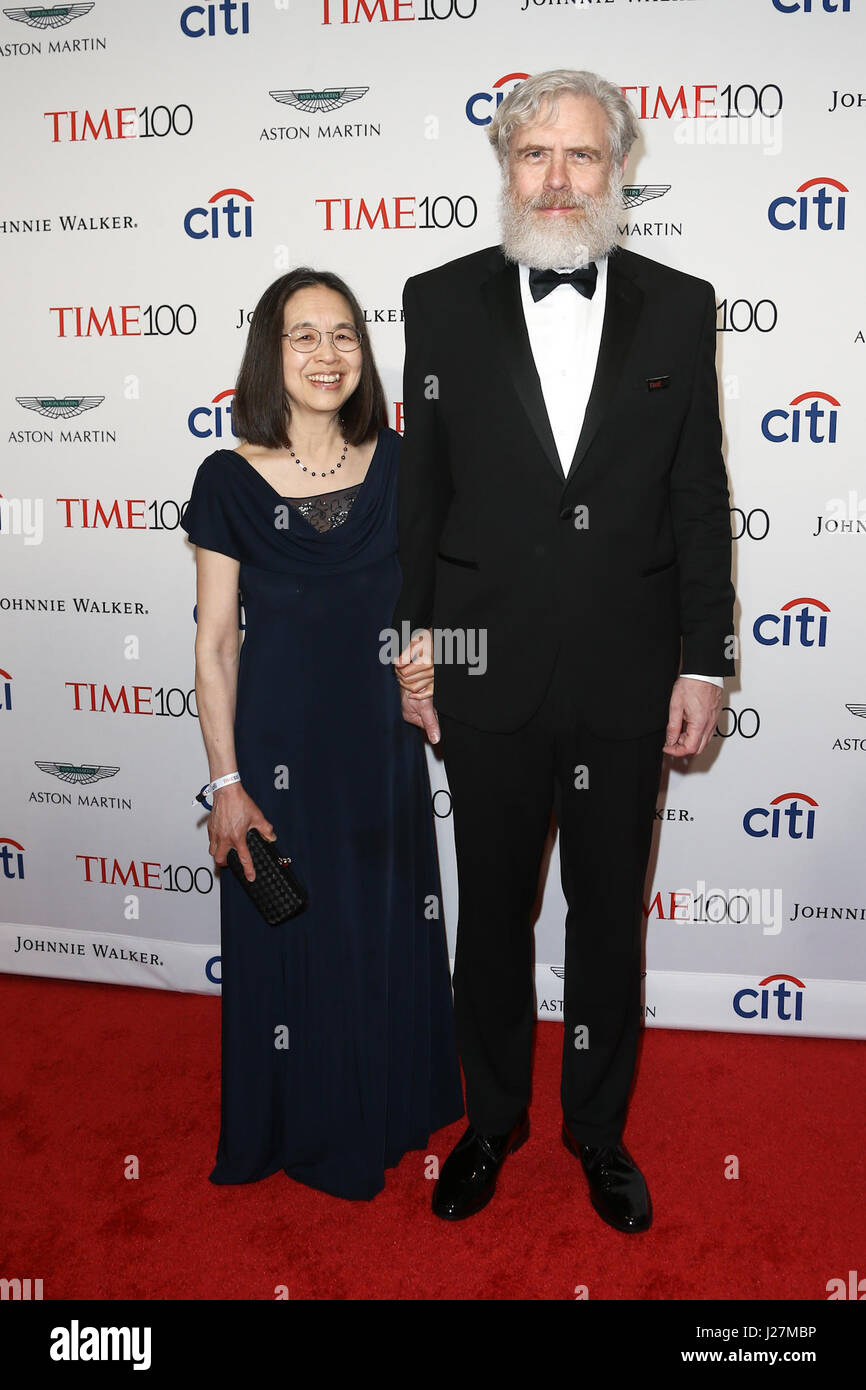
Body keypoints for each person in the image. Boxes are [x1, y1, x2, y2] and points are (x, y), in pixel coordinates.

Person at [392, 69, 736, 1230]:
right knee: (489, 914)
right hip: (483, 664)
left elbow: (698, 493)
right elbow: (420, 500)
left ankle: (595, 1129)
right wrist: (414, 644)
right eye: (533, 154)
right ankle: (490, 1121)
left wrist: (703, 660)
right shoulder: (435, 300)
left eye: (579, 156)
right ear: (503, 167)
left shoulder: (679, 306)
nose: (555, 178)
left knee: (604, 919)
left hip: (626, 675)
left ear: (618, 168)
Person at [181, 267, 464, 1201]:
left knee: (380, 924)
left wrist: (427, 659)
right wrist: (226, 784)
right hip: (273, 747)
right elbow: (216, 643)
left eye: (343, 334)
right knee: (290, 933)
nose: (326, 353)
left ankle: (382, 1106)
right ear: (271, 352)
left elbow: (434, 605)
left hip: (376, 748)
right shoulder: (225, 480)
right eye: (303, 335)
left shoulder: (401, 461)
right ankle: (294, 1121)